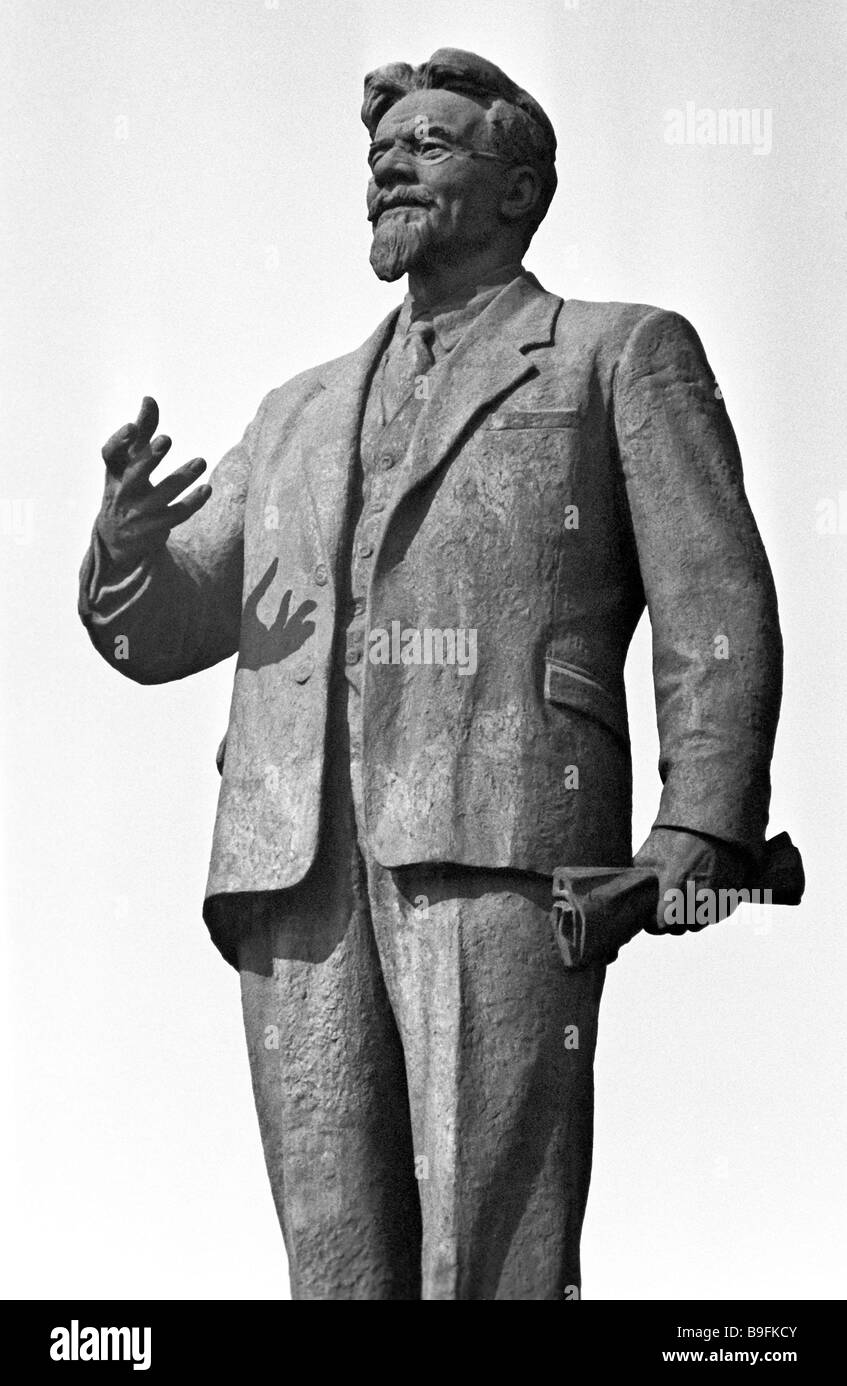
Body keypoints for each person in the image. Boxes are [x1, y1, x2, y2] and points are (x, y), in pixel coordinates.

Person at [79, 48, 782, 1300]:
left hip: (503, 847)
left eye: (431, 145)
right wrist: (125, 557)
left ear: (518, 190)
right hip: (294, 866)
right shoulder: (295, 413)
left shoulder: (615, 355)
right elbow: (171, 625)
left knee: (493, 1257)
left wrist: (701, 830)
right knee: (335, 1269)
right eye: (378, 152)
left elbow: (713, 596)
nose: (389, 165)